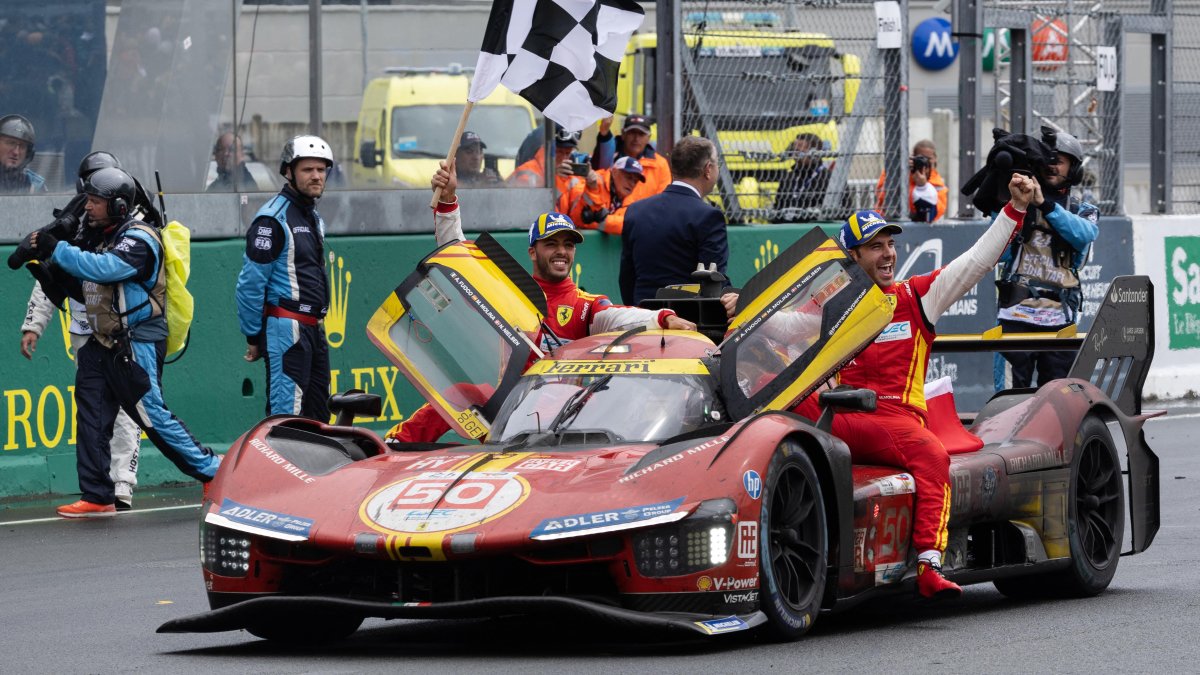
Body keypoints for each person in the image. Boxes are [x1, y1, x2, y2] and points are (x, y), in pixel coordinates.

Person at [721, 176, 1036, 599]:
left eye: (890, 245)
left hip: (894, 422)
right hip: (836, 414)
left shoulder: (917, 296)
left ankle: (929, 563)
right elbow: (782, 325)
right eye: (875, 247)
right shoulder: (831, 307)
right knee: (770, 395)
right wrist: (742, 305)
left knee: (932, 454)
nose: (888, 254)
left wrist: (1014, 210)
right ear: (852, 257)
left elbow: (976, 261)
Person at [386, 162, 697, 443]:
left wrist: (663, 318)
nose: (561, 251)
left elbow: (620, 317)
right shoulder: (507, 292)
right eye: (551, 244)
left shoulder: (587, 305)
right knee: (459, 394)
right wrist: (447, 201)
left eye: (568, 245)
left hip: (564, 420)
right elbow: (456, 259)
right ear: (533, 252)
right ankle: (390, 449)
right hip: (509, 411)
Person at [28, 166, 222, 518]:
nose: (87, 206)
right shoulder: (99, 235)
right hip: (101, 342)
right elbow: (88, 288)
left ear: (118, 205)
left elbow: (105, 269)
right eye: (87, 199)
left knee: (152, 416)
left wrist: (58, 249)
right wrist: (54, 277)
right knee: (91, 415)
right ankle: (97, 495)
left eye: (95, 201)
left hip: (137, 342)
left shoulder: (140, 238)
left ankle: (214, 471)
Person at [19, 151, 142, 509]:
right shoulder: (72, 226)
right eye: (90, 191)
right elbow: (48, 276)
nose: (92, 201)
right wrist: (33, 325)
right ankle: (98, 488)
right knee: (92, 412)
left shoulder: (133, 230)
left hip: (121, 333)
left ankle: (122, 483)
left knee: (127, 410)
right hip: (85, 334)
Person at [236, 135, 334, 420]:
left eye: (321, 169)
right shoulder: (271, 219)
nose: (316, 176)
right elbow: (250, 285)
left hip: (315, 328)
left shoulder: (312, 215)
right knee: (287, 419)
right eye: (307, 169)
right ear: (288, 172)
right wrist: (253, 335)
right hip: (287, 328)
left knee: (320, 417)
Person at [996, 129, 1098, 388]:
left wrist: (1045, 206)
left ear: (1074, 168)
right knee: (1008, 400)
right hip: (1015, 316)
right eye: (1047, 159)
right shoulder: (1017, 203)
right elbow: (998, 251)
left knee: (1057, 399)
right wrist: (1014, 206)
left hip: (1060, 322)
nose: (1052, 165)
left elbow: (1085, 236)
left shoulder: (1083, 210)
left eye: (1059, 161)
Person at [619, 136, 729, 306]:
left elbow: (626, 279)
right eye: (717, 164)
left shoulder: (635, 211)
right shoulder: (709, 216)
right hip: (688, 318)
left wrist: (637, 311)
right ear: (708, 169)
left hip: (642, 314)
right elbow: (714, 282)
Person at [507, 124, 587, 213]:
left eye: (567, 153)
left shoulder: (571, 177)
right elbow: (534, 210)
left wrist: (592, 189)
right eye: (559, 152)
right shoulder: (527, 173)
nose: (564, 158)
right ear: (548, 149)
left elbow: (578, 215)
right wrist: (555, 178)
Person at [592, 114, 671, 202]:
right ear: (623, 134)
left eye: (641, 134)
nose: (636, 139)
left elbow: (663, 201)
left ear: (648, 138)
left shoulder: (660, 165)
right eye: (632, 132)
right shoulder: (608, 156)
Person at [563, 155, 646, 236]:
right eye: (628, 177)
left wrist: (602, 220)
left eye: (635, 181)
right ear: (615, 172)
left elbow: (630, 225)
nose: (632, 184)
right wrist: (592, 188)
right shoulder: (594, 182)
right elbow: (579, 219)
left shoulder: (633, 198)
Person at [874, 139, 947, 222]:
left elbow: (938, 211)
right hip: (885, 219)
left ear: (934, 159)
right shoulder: (896, 171)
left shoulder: (936, 181)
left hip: (917, 221)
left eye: (928, 159)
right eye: (921, 158)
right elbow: (882, 197)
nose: (925, 162)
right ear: (913, 157)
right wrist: (903, 171)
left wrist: (923, 186)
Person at [774, 132, 831, 222]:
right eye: (794, 146)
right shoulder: (789, 177)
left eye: (800, 146)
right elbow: (777, 209)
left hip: (814, 227)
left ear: (814, 152)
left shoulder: (827, 178)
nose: (795, 151)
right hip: (786, 226)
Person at [0, 114, 46, 194]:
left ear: (28, 153)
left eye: (22, 146)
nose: (16, 152)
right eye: (11, 143)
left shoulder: (35, 185)